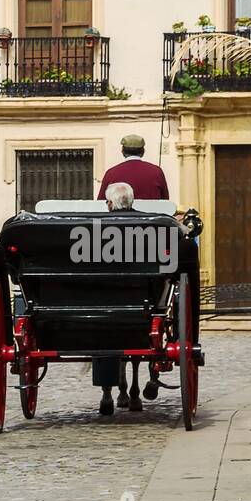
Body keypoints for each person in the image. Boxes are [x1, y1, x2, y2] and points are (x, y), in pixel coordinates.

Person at [94, 182, 135, 416]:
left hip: (102, 298)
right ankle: (131, 390)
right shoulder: (148, 225)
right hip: (139, 301)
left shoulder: (94, 229)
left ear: (109, 204)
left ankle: (107, 392)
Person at [97, 134, 169, 202]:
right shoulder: (156, 171)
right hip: (152, 215)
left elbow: (101, 203)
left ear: (122, 151)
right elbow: (165, 200)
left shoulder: (111, 173)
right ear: (143, 151)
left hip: (121, 215)